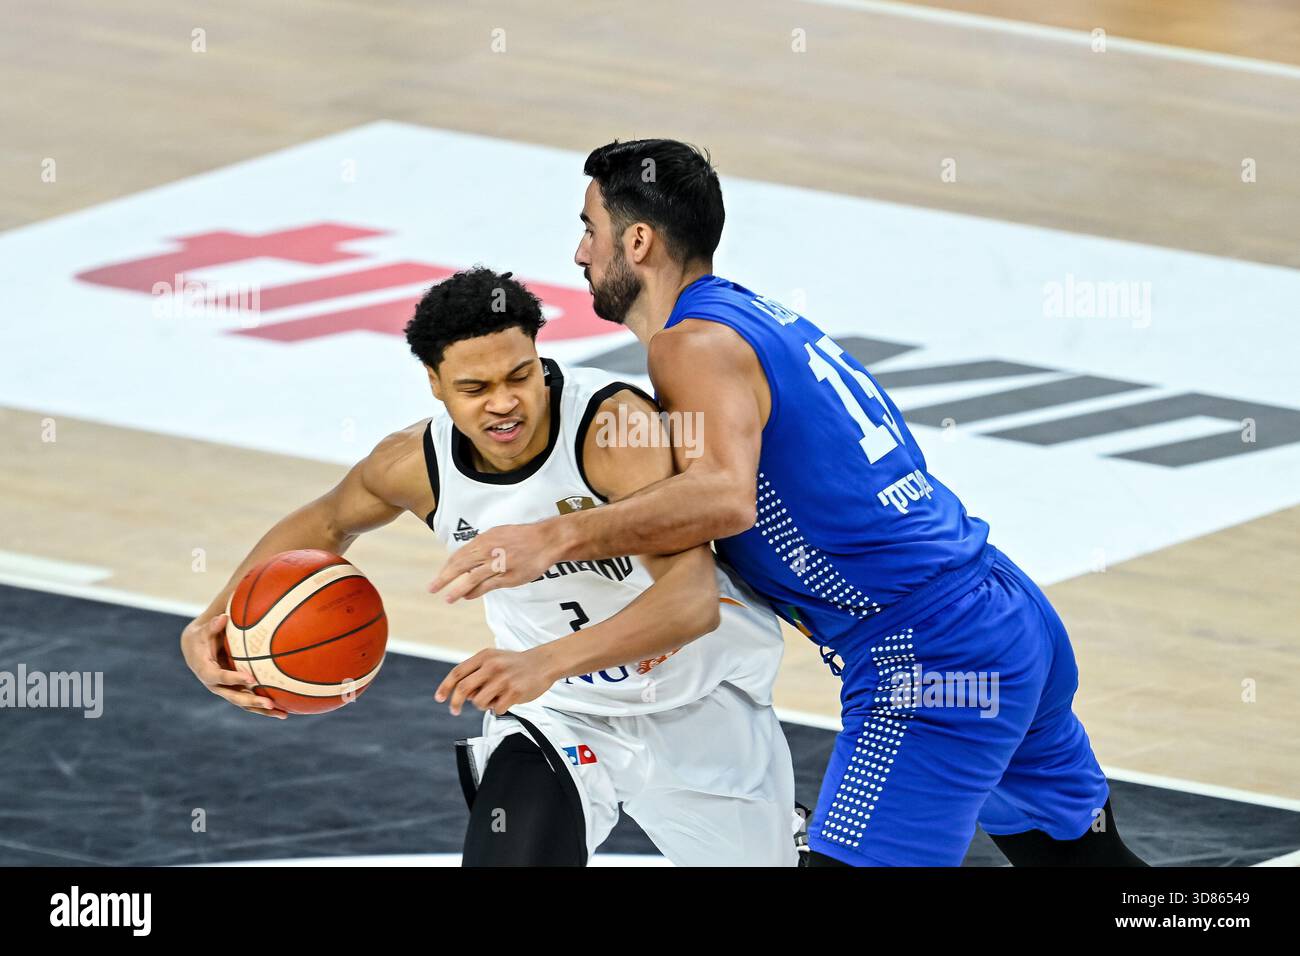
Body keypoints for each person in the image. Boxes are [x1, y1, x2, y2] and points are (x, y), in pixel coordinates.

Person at [429, 140, 1147, 867]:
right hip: (1003, 613)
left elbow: (723, 497)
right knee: (1089, 867)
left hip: (926, 650)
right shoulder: (750, 317)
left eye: (590, 229)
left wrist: (552, 538)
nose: (581, 253)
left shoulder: (690, 344)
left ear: (637, 241)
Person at [181, 265, 797, 866]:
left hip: (701, 708)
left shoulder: (613, 430)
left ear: (539, 357)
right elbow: (325, 522)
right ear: (435, 383)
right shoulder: (414, 464)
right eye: (475, 389)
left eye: (520, 376)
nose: (505, 405)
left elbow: (692, 602)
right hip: (563, 714)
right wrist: (212, 623)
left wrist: (543, 661)